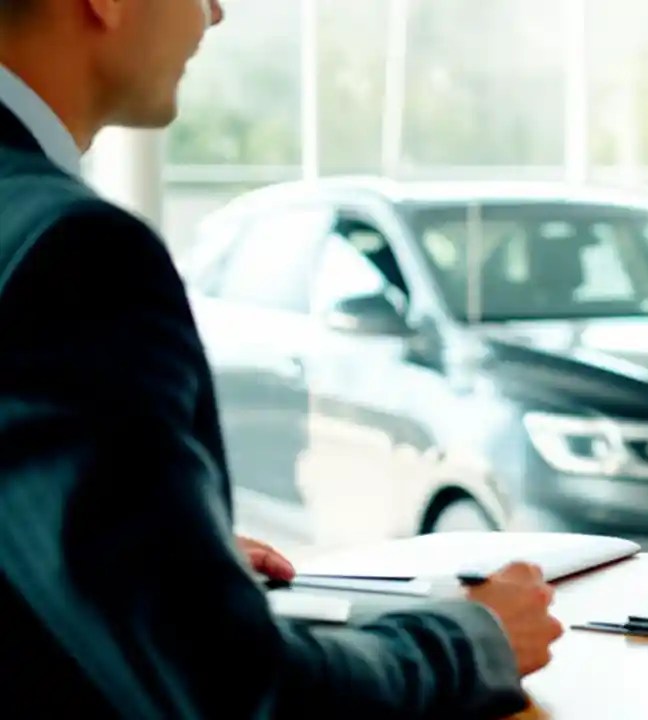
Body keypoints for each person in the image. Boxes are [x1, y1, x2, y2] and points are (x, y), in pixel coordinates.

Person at [0, 1, 560, 717]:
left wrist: (155, 547)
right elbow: (236, 691)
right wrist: (474, 640)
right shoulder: (73, 252)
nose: (215, 13)